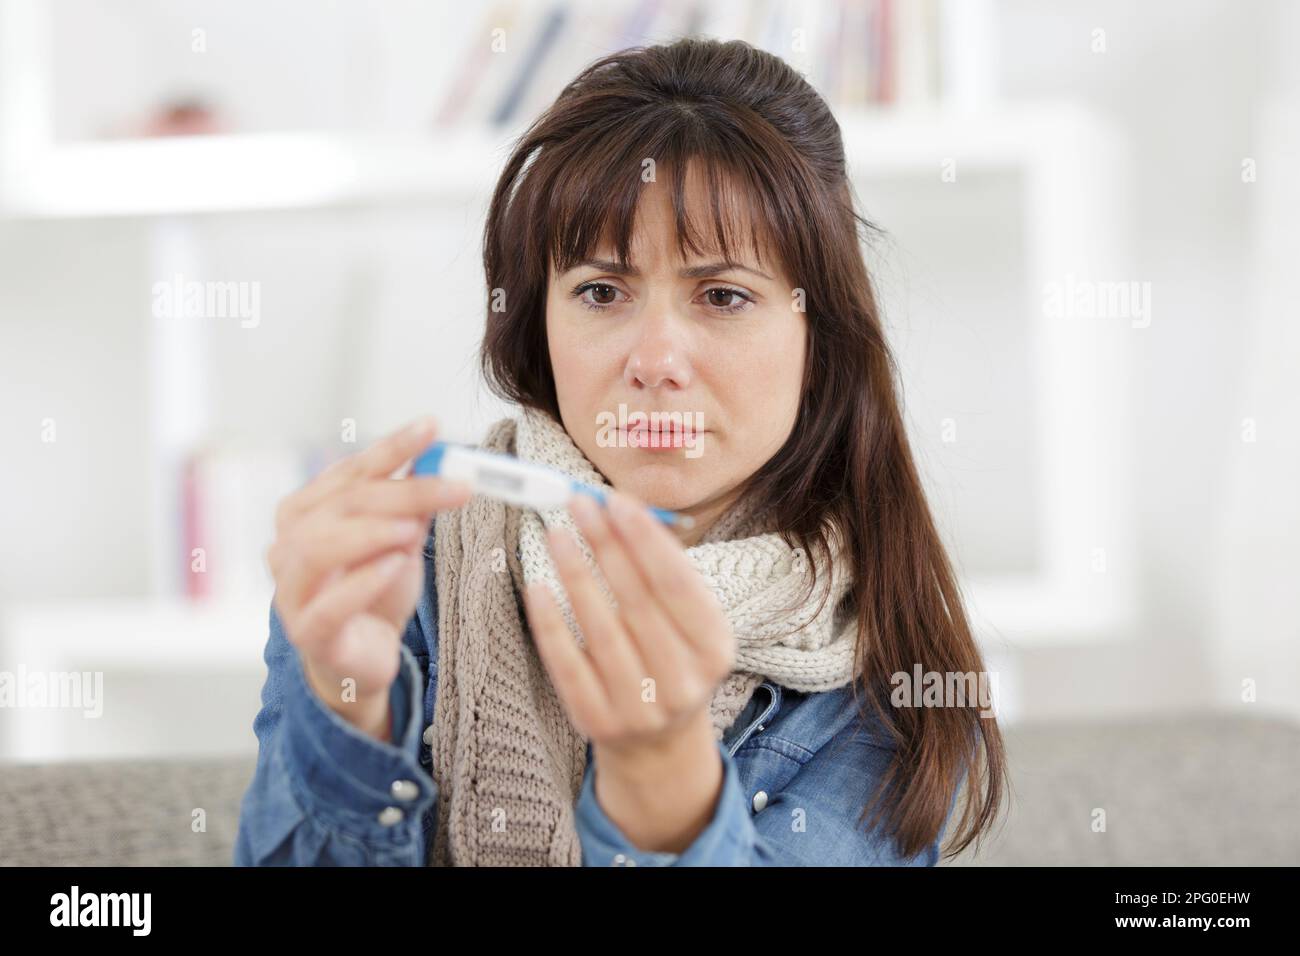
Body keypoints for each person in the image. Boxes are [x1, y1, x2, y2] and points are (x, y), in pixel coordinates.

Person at [235, 37, 1007, 866]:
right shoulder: (403, 571)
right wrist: (346, 706)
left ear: (817, 333)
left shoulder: (896, 688)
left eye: (722, 295)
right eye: (601, 292)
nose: (654, 361)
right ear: (539, 320)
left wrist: (662, 789)